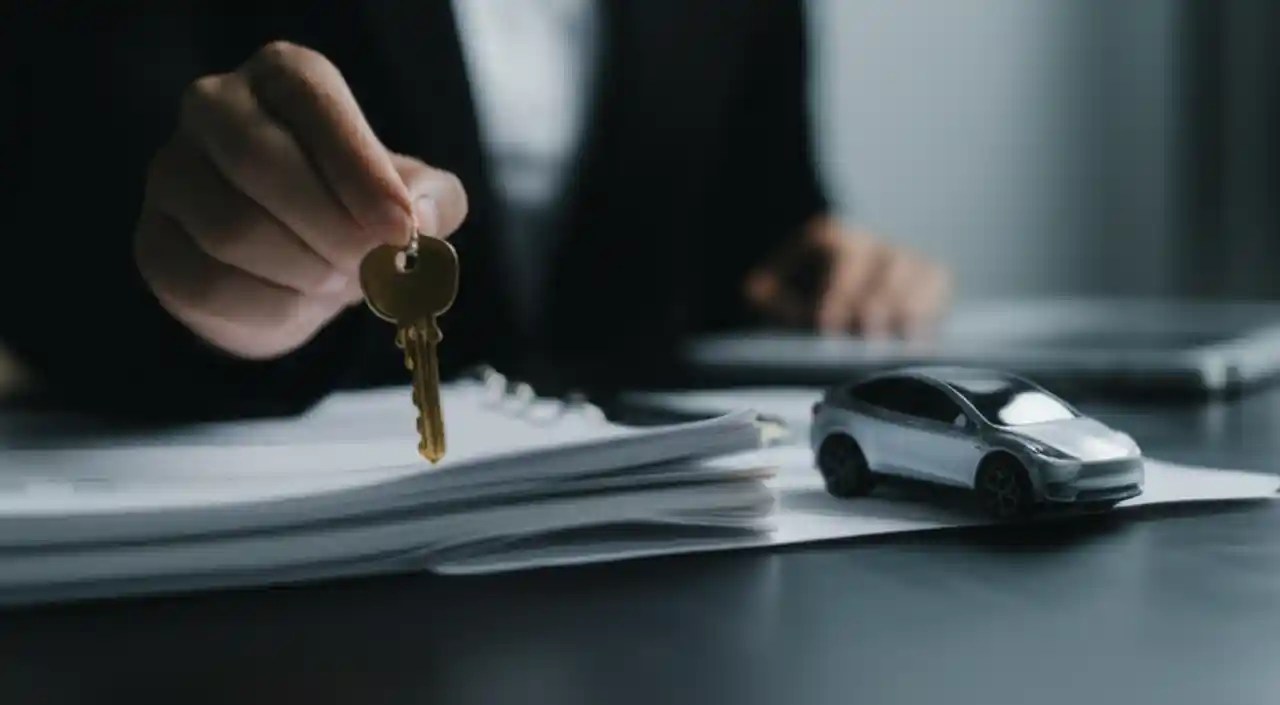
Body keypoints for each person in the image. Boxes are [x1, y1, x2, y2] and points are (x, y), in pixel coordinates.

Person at [0, 1, 949, 420]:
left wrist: (830, 265)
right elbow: (73, 190)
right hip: (289, 589)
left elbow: (761, 216)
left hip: (666, 571)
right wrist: (207, 281)